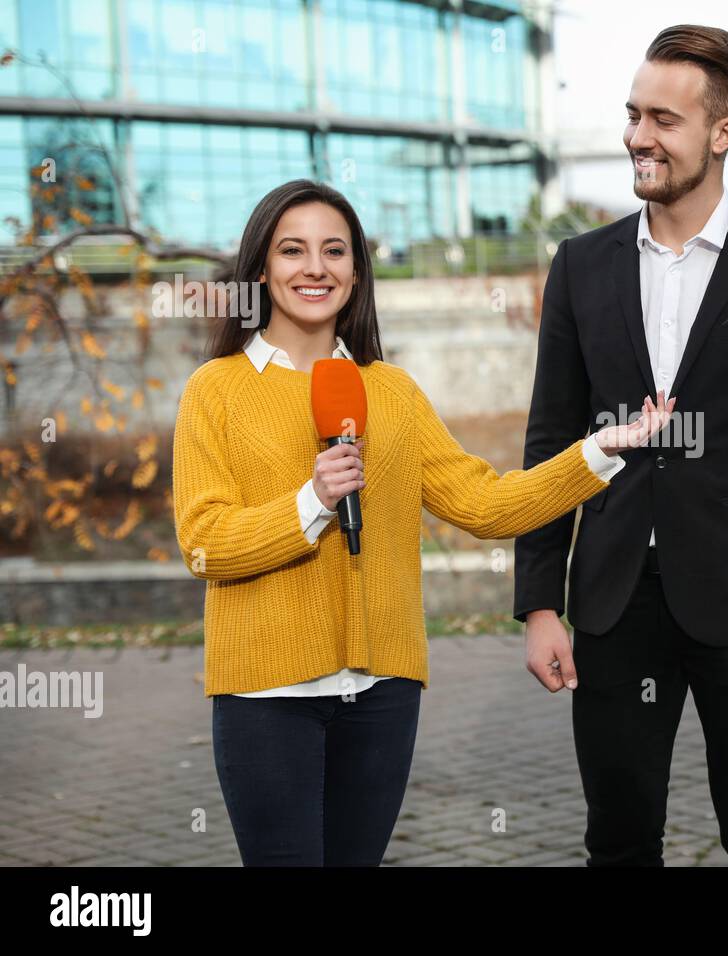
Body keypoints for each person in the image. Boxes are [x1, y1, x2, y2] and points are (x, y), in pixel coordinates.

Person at [172, 179, 674, 866]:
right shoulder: (217, 390)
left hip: (383, 694)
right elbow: (205, 544)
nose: (315, 268)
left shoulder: (392, 392)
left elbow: (486, 504)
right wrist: (312, 502)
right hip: (266, 698)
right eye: (293, 250)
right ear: (261, 268)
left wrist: (600, 450)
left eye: (334, 251)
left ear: (356, 270)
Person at [514, 25, 728, 865]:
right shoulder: (580, 265)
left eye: (664, 119)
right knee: (621, 839)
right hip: (609, 602)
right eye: (633, 114)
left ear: (722, 132)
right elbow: (550, 441)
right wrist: (537, 603)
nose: (639, 136)